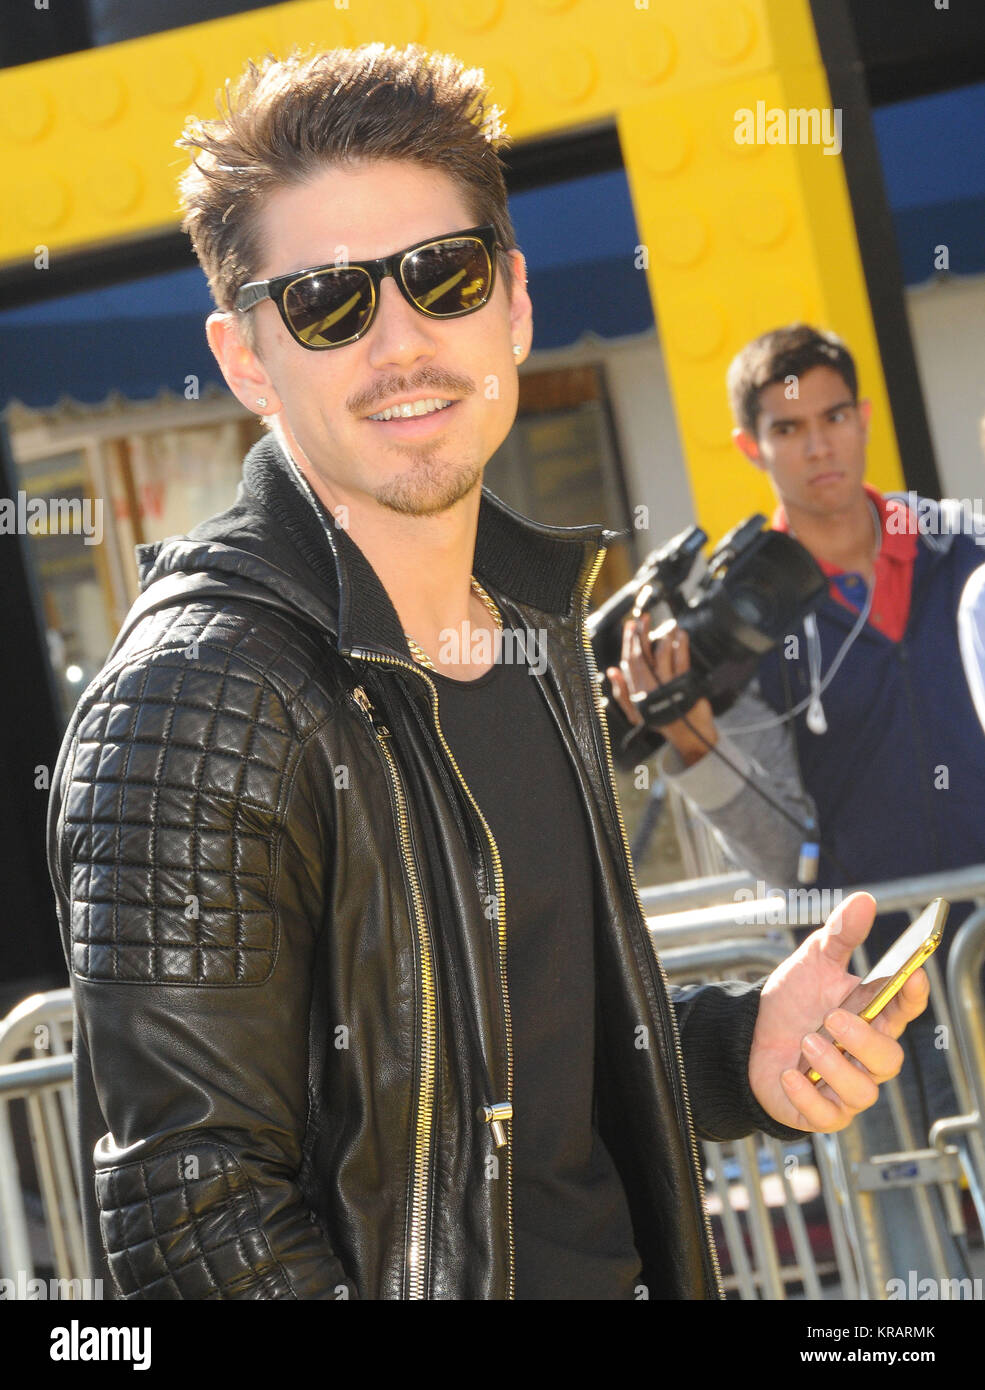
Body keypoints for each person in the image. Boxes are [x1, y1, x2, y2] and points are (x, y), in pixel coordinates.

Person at [46, 51, 928, 1302]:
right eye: (327, 304)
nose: (401, 344)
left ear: (510, 303)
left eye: (441, 280)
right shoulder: (198, 699)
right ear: (246, 359)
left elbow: (498, 1075)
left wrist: (742, 1054)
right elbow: (193, 1219)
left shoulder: (533, 634)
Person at [607, 322, 985, 1287]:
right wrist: (687, 737)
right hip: (874, 985)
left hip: (982, 954)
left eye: (832, 417)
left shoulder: (962, 548)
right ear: (752, 446)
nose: (818, 444)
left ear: (862, 419)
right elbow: (784, 849)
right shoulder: (742, 617)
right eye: (787, 426)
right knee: (908, 1239)